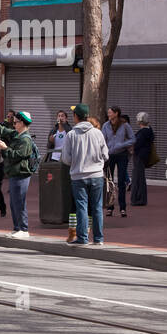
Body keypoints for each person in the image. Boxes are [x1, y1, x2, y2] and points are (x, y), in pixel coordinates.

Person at [60, 103, 109, 245]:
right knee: (97, 207)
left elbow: (66, 158)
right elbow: (106, 155)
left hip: (78, 176)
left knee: (82, 206)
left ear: (76, 117)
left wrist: (77, 162)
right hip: (97, 175)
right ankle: (99, 239)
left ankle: (82, 238)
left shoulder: (71, 135)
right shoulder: (98, 133)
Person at [0, 109, 37, 237]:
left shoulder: (25, 139)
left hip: (21, 174)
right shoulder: (17, 134)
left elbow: (17, 155)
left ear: (22, 123)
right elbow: (4, 131)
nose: (13, 125)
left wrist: (5, 148)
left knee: (19, 202)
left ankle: (24, 229)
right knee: (14, 202)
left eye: (15, 122)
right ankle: (17, 228)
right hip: (15, 173)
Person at [102, 105, 134, 217]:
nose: (108, 114)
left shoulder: (125, 125)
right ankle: (110, 207)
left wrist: (122, 145)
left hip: (122, 155)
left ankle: (122, 208)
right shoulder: (105, 125)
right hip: (110, 155)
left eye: (110, 112)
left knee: (121, 181)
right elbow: (102, 140)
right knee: (109, 181)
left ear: (116, 113)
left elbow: (132, 139)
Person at [131, 112, 154, 207]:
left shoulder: (142, 132)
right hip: (143, 156)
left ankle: (138, 199)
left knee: (138, 177)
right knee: (139, 176)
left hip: (139, 156)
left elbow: (137, 144)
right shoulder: (149, 131)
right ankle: (140, 198)